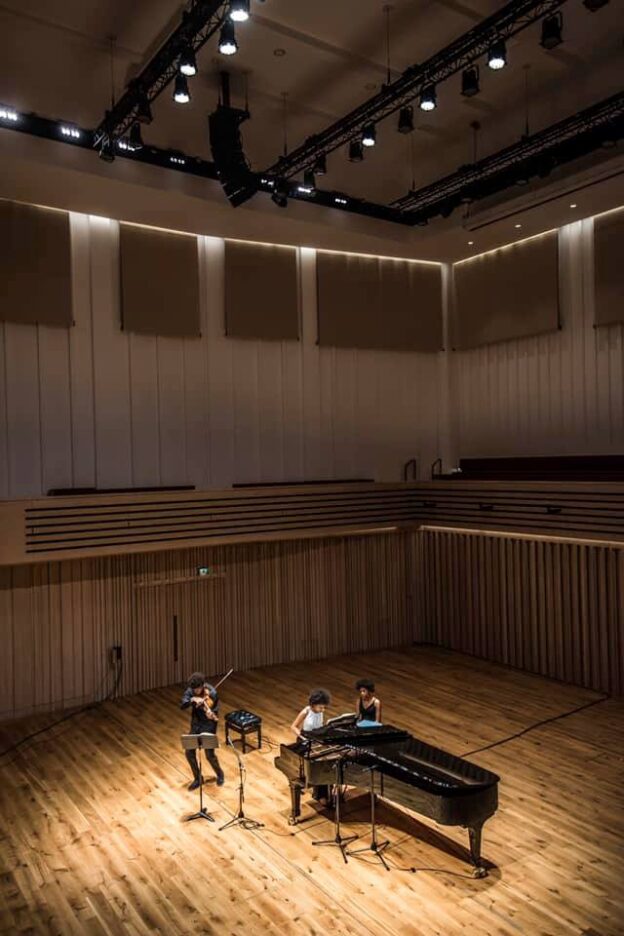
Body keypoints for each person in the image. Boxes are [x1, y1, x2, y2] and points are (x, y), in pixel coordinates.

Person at [181, 672, 225, 790]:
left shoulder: (212, 693)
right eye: (194, 690)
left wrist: (210, 713)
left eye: (198, 689)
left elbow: (213, 712)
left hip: (208, 725)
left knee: (209, 754)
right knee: (189, 752)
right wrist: (193, 700)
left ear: (203, 685)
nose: (196, 691)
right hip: (196, 724)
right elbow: (183, 704)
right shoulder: (191, 691)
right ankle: (198, 778)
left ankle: (220, 774)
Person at [290, 689, 331, 803]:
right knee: (317, 764)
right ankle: (318, 793)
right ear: (313, 705)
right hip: (304, 740)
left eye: (323, 707)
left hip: (316, 738)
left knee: (326, 761)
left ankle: (323, 792)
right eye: (320, 707)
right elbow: (293, 726)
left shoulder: (320, 711)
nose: (322, 710)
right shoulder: (306, 711)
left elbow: (320, 726)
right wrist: (302, 737)